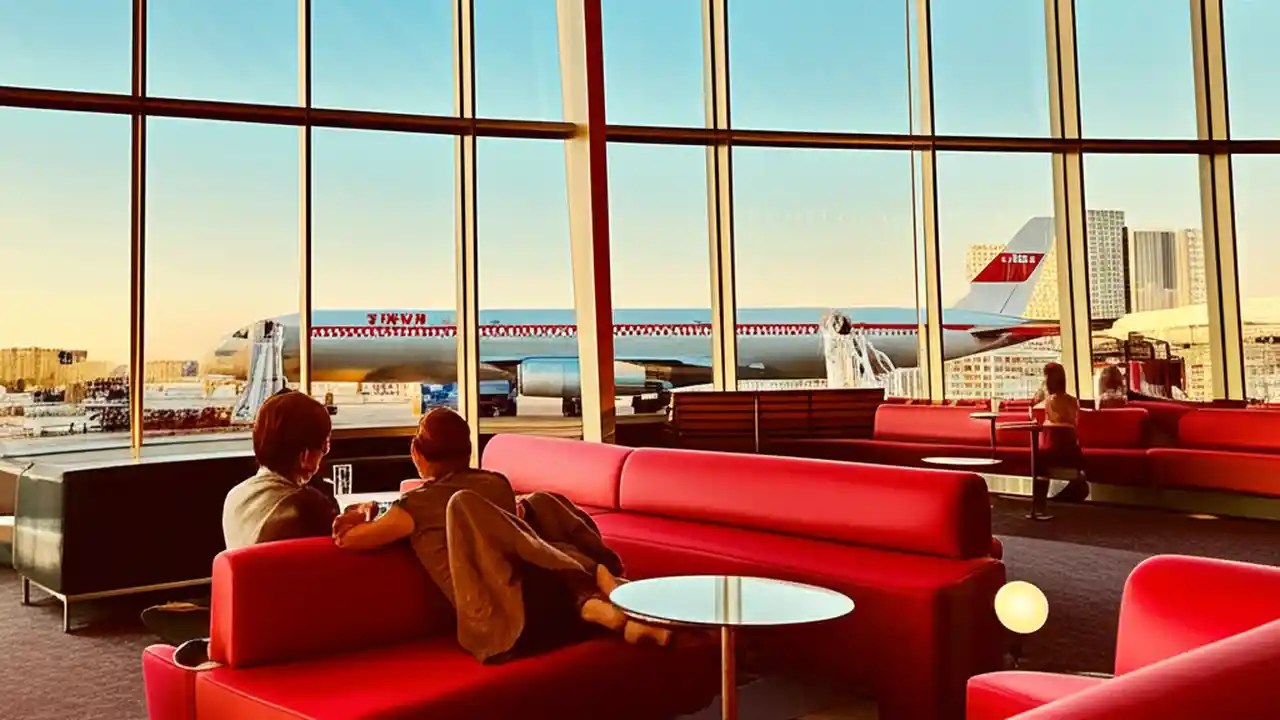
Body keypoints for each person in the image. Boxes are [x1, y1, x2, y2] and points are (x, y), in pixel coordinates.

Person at [333, 407, 669, 662]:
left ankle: (602, 599)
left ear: (416, 454)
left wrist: (361, 512)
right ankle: (604, 588)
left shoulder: (412, 508)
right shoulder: (494, 484)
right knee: (492, 505)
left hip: (506, 625)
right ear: (467, 451)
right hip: (546, 604)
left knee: (537, 502)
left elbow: (349, 540)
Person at [141, 389, 359, 665]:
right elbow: (343, 557)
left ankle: (210, 627)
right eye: (324, 447)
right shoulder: (305, 506)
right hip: (290, 633)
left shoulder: (237, 494)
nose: (324, 454)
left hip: (247, 616)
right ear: (305, 456)